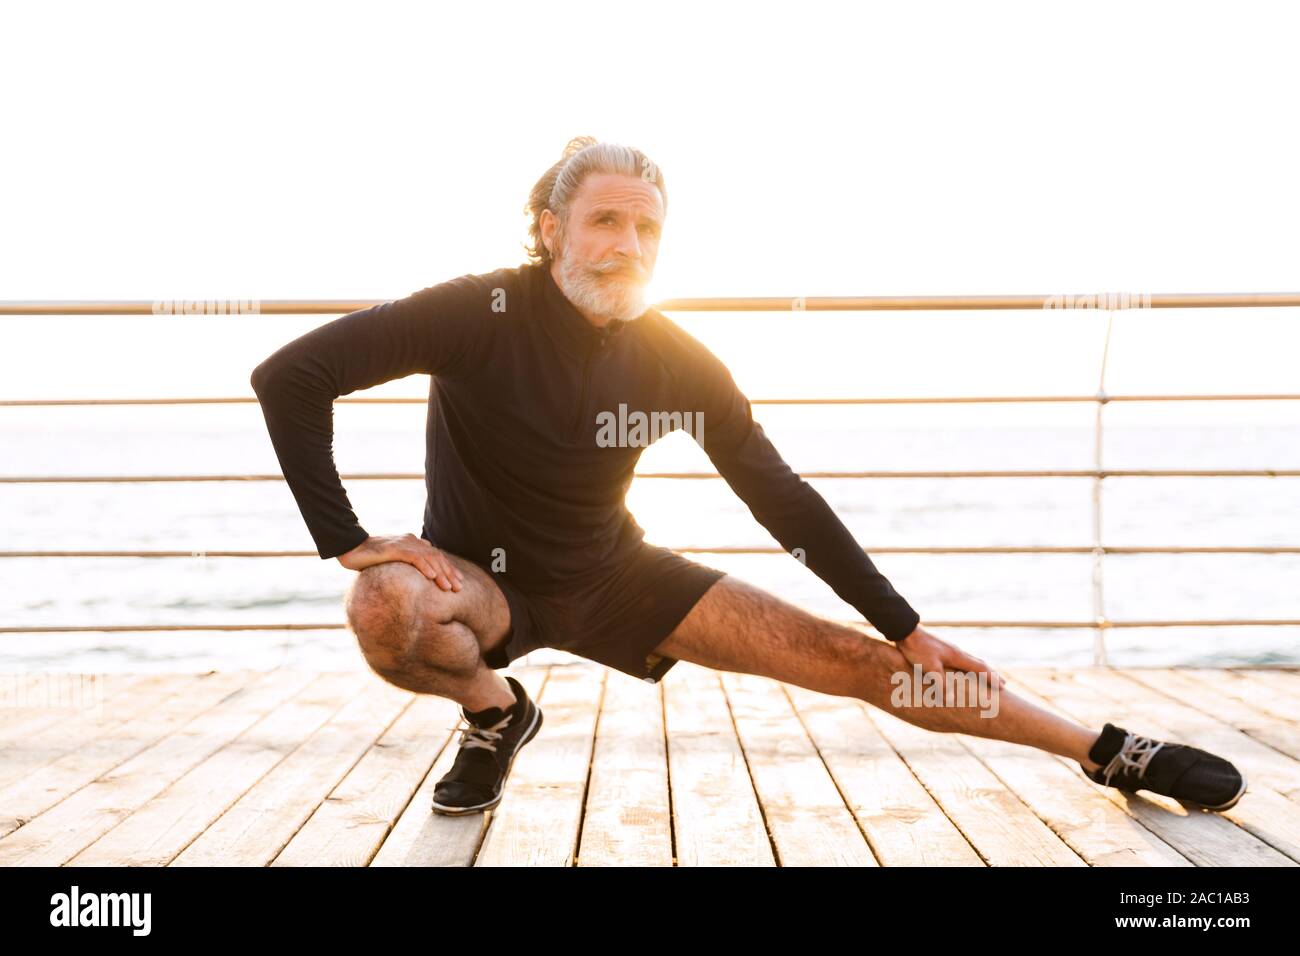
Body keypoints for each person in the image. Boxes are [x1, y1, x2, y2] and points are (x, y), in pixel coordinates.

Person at [250, 137, 1247, 818]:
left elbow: (779, 495)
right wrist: (346, 536)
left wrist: (900, 621)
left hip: (617, 577)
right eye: (602, 221)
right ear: (549, 227)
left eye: (645, 229)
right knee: (385, 605)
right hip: (482, 577)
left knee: (865, 663)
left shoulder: (677, 357)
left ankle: (1105, 746)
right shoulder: (479, 311)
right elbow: (292, 375)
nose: (625, 245)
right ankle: (494, 710)